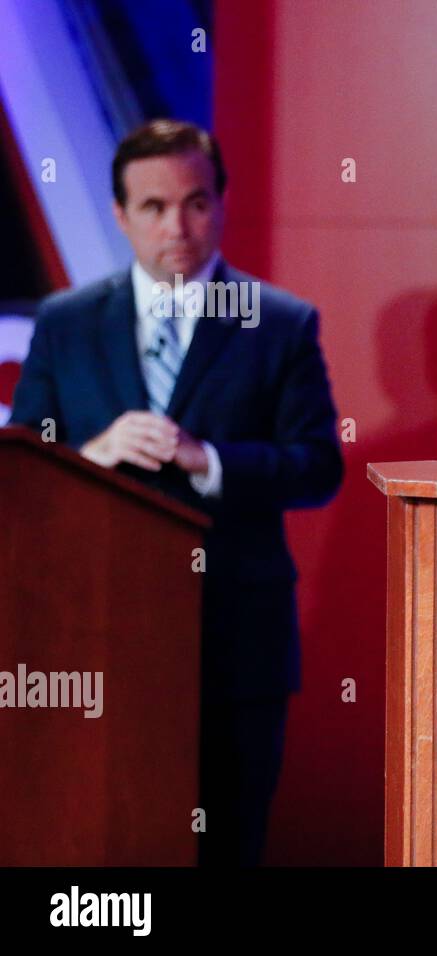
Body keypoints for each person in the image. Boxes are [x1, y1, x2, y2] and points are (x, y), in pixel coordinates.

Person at [10, 119, 344, 866]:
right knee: (100, 846)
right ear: (121, 215)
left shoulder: (278, 323)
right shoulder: (66, 322)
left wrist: (209, 459)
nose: (178, 228)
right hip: (91, 642)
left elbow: (319, 465)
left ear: (220, 203)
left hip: (235, 642)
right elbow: (22, 465)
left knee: (228, 844)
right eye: (155, 208)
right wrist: (91, 456)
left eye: (196, 203)